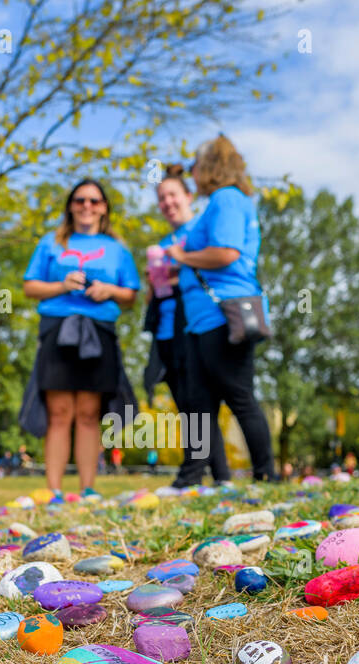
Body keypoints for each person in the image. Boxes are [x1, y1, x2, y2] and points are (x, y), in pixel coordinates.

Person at [21, 179, 140, 503]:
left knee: (89, 413)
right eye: (80, 200)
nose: (87, 206)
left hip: (99, 331)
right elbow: (29, 287)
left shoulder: (118, 249)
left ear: (104, 208)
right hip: (58, 329)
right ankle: (54, 491)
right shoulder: (50, 243)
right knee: (59, 412)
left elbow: (131, 294)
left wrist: (109, 291)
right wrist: (61, 285)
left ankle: (88, 490)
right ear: (70, 206)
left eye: (94, 201)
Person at [166, 136, 277, 482]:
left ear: (209, 167)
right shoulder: (219, 201)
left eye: (195, 168)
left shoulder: (226, 198)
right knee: (199, 404)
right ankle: (194, 478)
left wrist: (183, 257)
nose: (192, 176)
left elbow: (226, 253)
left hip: (223, 315)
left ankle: (265, 476)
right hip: (201, 321)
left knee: (239, 395)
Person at [141, 164, 231, 488]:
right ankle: (220, 478)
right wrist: (154, 283)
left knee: (201, 403)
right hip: (165, 332)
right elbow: (156, 292)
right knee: (188, 406)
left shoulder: (200, 230)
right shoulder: (162, 242)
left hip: (194, 324)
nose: (167, 202)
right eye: (161, 197)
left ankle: (207, 477)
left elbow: (217, 265)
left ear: (188, 196)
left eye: (172, 194)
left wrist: (180, 270)